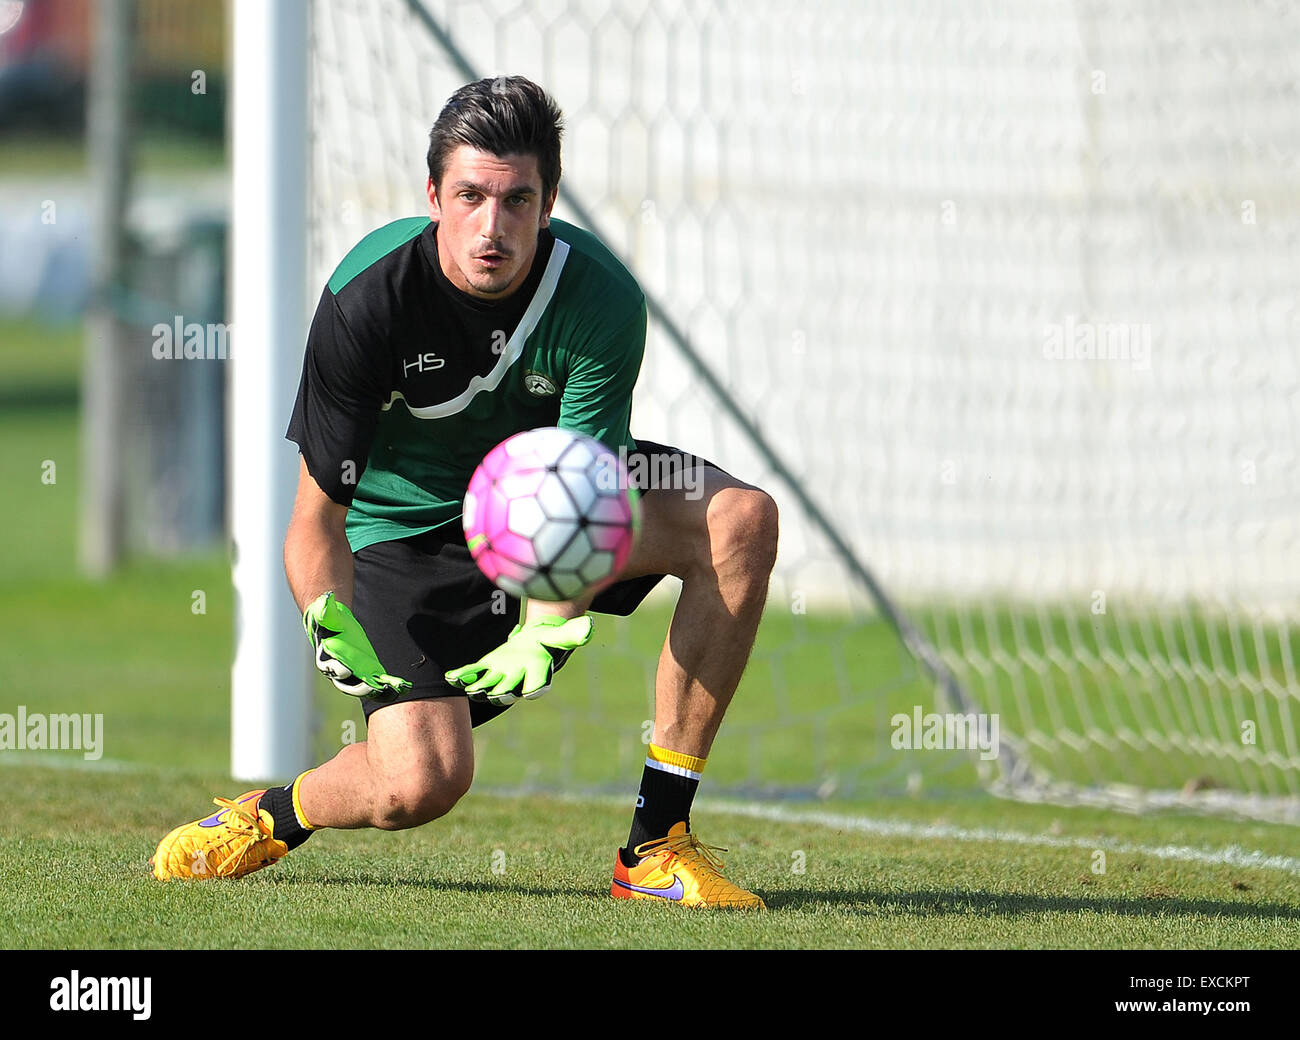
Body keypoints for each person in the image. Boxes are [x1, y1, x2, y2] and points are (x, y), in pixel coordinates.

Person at [150, 76, 779, 908]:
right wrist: (329, 626)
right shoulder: (366, 300)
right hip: (398, 534)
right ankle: (275, 814)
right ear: (433, 197)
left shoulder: (599, 298)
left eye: (518, 200)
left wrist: (550, 623)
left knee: (739, 520)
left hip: (535, 513)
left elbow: (582, 498)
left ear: (548, 203)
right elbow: (313, 528)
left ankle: (655, 846)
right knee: (422, 781)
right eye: (472, 196)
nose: (493, 226)